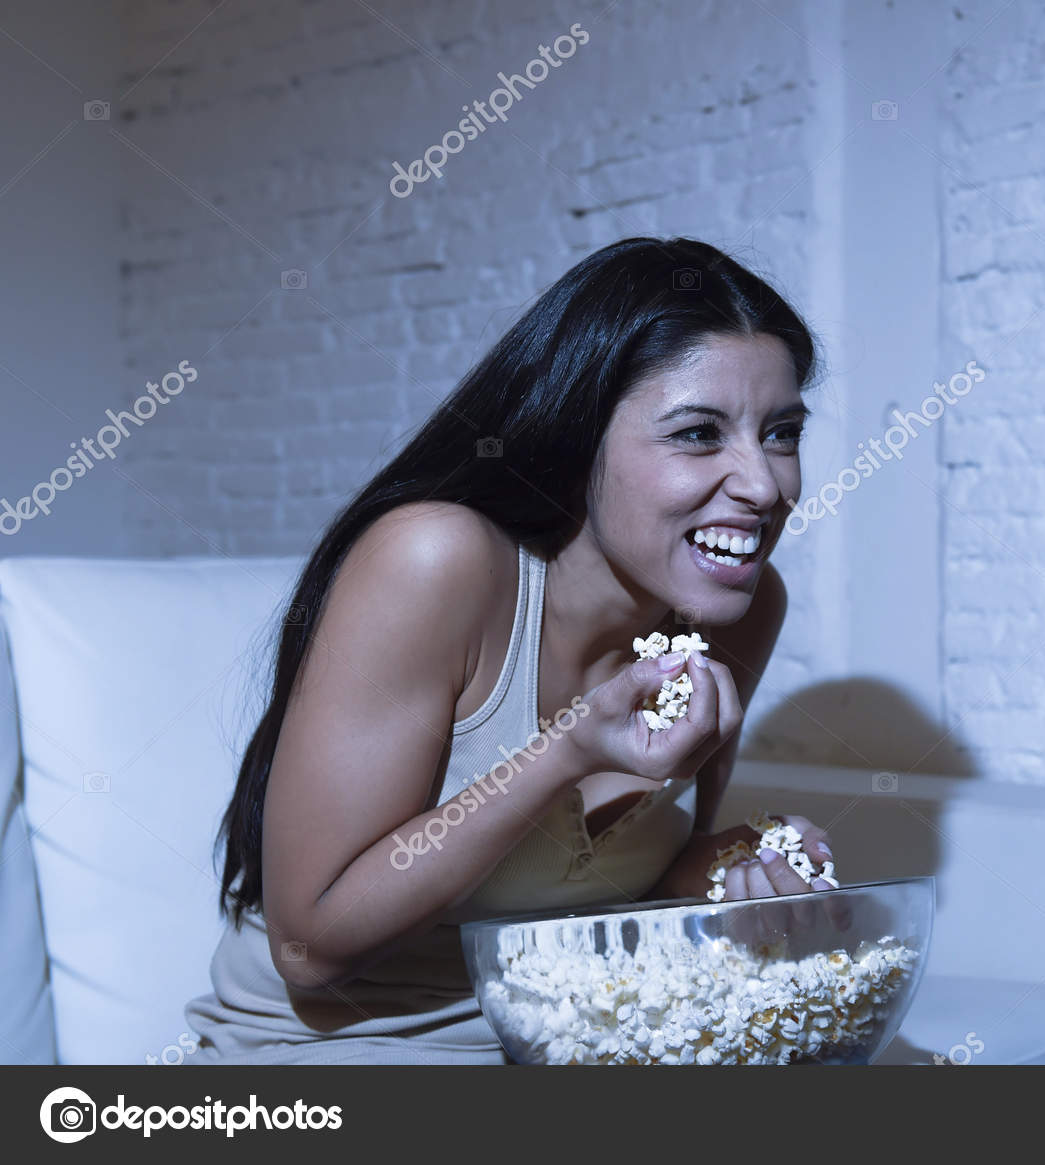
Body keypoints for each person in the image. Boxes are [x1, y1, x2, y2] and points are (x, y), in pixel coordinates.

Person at [182, 236, 837, 1063]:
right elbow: (311, 949)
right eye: (700, 433)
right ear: (576, 435)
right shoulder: (436, 560)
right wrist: (563, 752)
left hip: (563, 1044)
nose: (765, 484)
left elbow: (622, 888)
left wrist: (740, 868)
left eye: (781, 433)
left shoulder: (739, 607)